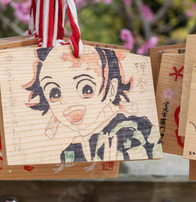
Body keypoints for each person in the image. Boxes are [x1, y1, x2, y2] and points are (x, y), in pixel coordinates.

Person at [24, 45, 158, 163]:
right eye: (55, 94)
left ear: (111, 89)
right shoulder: (70, 151)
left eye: (86, 89)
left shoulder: (136, 129)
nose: (67, 102)